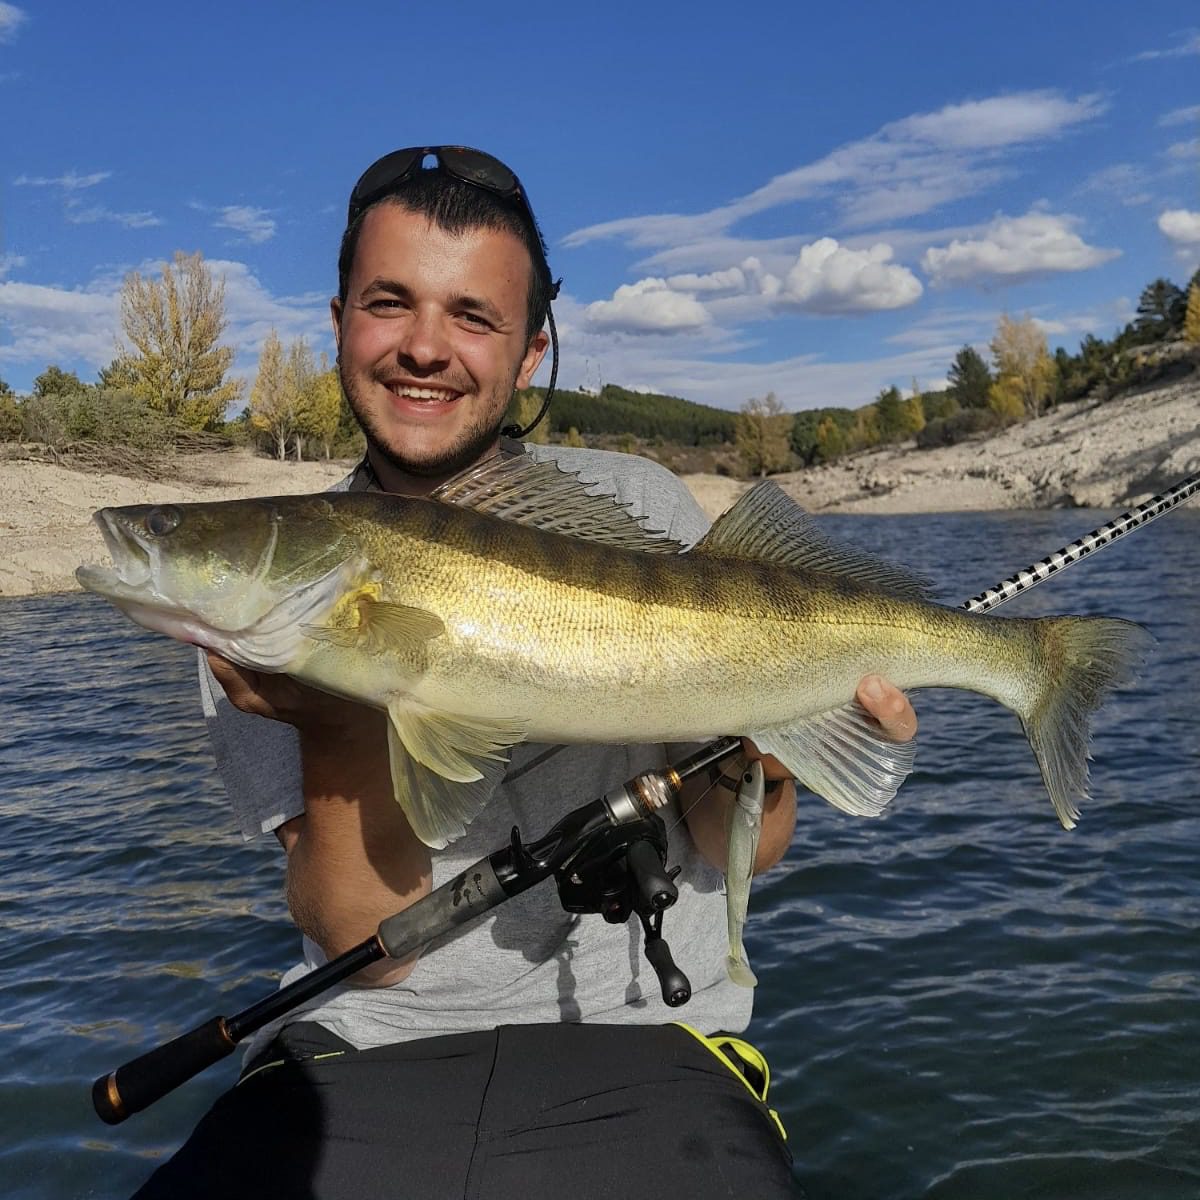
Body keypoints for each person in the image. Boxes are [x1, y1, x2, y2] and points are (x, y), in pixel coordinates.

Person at [132, 146, 917, 1199]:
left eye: (474, 316)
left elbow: (748, 847)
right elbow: (370, 944)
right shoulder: (262, 615)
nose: (424, 347)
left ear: (532, 347)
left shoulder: (643, 510)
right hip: (367, 1043)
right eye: (389, 302)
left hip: (652, 1039)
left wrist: (773, 744)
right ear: (338, 322)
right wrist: (337, 725)